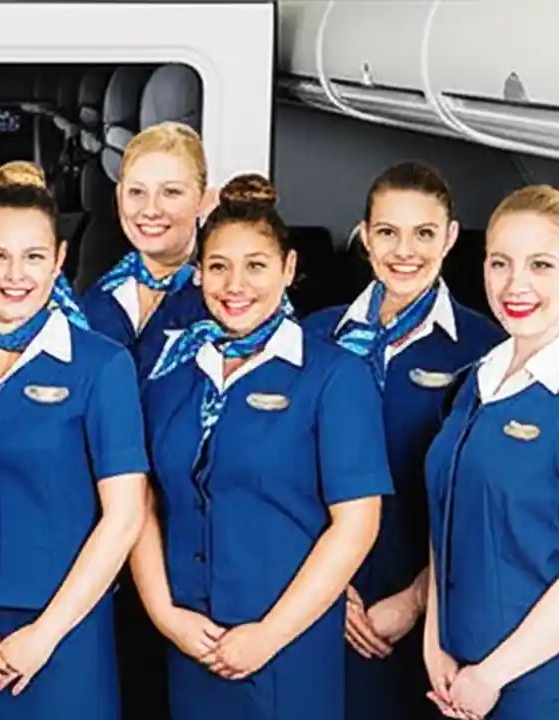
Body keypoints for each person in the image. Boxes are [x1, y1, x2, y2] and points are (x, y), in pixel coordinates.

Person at [130, 173, 391, 720]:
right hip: (190, 639)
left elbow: (357, 524)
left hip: (286, 642)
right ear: (198, 273)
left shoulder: (333, 376)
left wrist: (269, 635)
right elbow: (145, 503)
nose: (235, 285)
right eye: (219, 266)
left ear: (289, 270)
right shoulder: (172, 375)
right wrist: (164, 613)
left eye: (256, 266)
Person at [0, 161, 149, 720]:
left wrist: (45, 634)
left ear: (59, 260)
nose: (14, 274)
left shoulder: (101, 364)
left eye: (33, 256)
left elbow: (124, 516)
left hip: (66, 625)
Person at [302, 161, 504, 720]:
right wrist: (327, 587)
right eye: (388, 232)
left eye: (424, 233)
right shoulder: (312, 336)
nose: (404, 251)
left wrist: (417, 599)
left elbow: (480, 500)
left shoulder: (487, 349)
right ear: (364, 237)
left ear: (451, 238)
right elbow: (286, 474)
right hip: (313, 598)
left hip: (430, 610)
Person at [423, 185, 559, 719]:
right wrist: (435, 639)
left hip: (535, 687)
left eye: (541, 265)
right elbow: (446, 523)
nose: (515, 284)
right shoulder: (474, 382)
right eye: (499, 263)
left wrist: (493, 674)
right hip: (455, 678)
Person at [80, 121, 214, 374]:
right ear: (119, 196)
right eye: (136, 192)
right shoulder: (97, 298)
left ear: (203, 199)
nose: (150, 210)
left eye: (171, 192)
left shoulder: (229, 296)